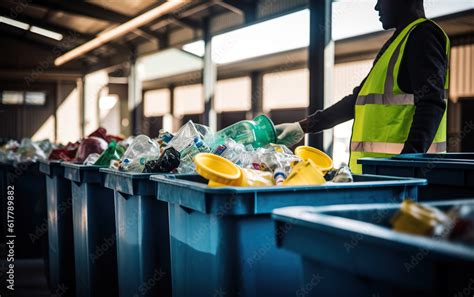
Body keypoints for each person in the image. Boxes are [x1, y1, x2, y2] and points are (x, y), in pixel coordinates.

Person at [275, 0, 450, 173]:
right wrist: (302, 127)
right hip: (379, 176)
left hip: (400, 180)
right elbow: (356, 101)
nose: (376, 7)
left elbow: (431, 104)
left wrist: (407, 164)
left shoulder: (423, 36)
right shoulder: (399, 42)